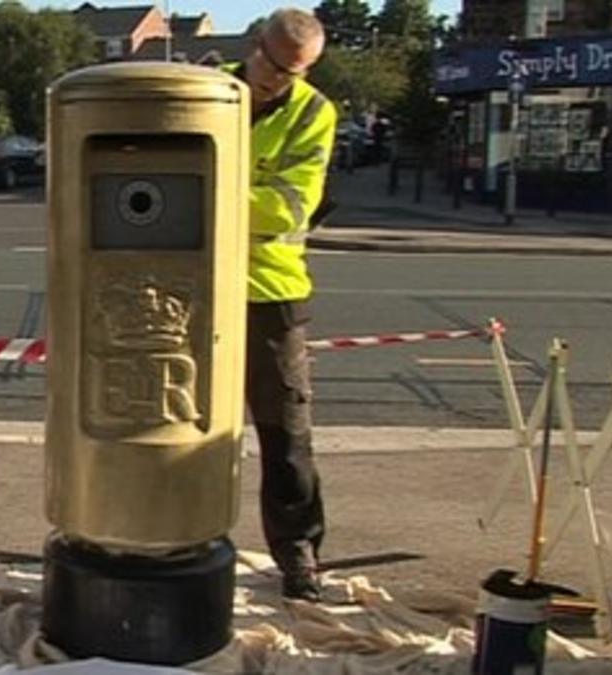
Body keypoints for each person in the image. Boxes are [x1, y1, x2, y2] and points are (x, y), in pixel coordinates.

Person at [225, 8, 337, 602]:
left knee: (286, 434)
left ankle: (299, 556)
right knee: (179, 423)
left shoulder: (314, 113)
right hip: (194, 285)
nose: (277, 83)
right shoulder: (206, 88)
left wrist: (210, 187)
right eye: (272, 68)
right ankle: (174, 534)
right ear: (255, 45)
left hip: (271, 292)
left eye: (295, 73)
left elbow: (290, 207)